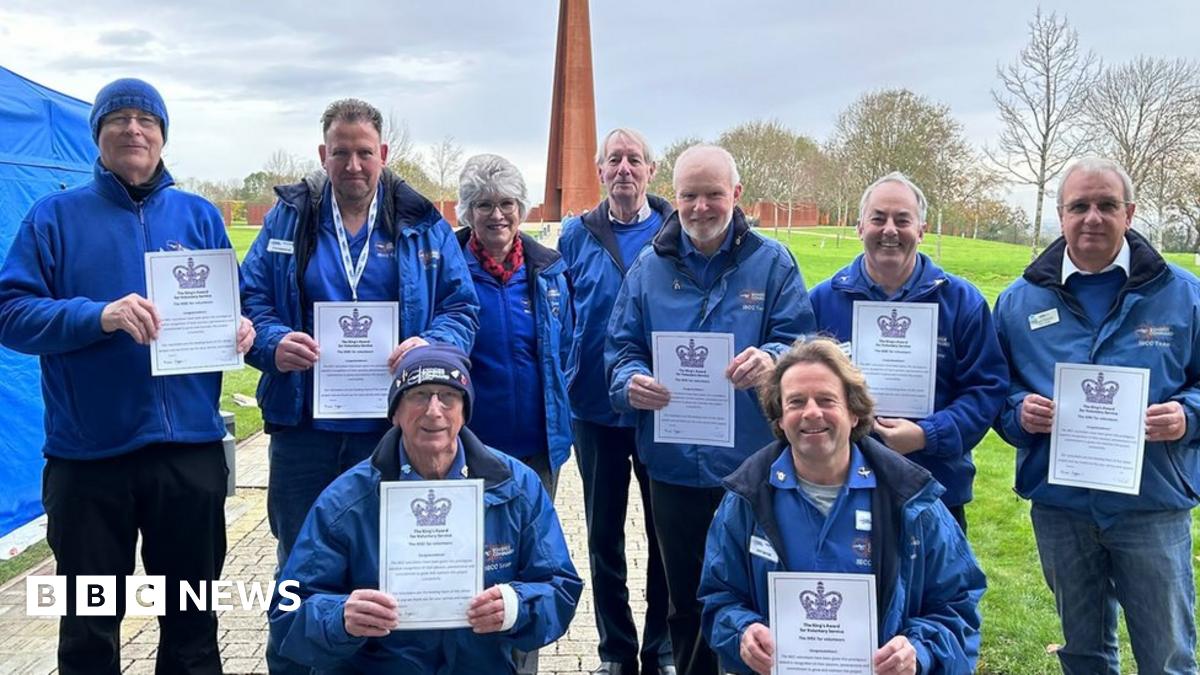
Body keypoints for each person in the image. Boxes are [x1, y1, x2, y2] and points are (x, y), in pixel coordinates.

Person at [0, 77, 254, 674]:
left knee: (193, 623)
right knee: (89, 628)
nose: (133, 129)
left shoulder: (198, 216)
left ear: (163, 136)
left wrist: (239, 329)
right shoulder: (53, 217)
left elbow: (235, 306)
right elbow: (10, 314)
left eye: (146, 119)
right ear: (98, 134)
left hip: (188, 453)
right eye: (118, 119)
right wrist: (99, 315)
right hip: (90, 461)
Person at [239, 98, 478, 672]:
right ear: (323, 155)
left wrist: (429, 346)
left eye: (363, 152)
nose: (352, 164)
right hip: (304, 431)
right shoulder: (288, 218)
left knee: (387, 563)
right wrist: (274, 343)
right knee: (298, 563)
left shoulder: (423, 223)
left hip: (390, 431)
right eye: (340, 152)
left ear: (383, 155)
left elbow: (461, 309)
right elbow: (251, 300)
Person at [606, 144, 815, 674]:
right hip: (674, 466)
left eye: (713, 194)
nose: (701, 207)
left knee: (757, 597)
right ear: (673, 198)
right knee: (686, 601)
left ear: (736, 195)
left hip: (754, 469)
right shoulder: (649, 267)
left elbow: (801, 342)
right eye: (689, 196)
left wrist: (772, 361)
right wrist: (629, 381)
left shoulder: (772, 264)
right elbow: (621, 347)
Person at [993, 157, 1200, 674]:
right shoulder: (1020, 301)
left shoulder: (1183, 294)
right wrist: (1020, 412)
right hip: (1062, 509)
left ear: (1129, 214)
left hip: (1151, 504)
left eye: (1106, 205)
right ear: (1060, 216)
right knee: (1084, 655)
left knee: (1168, 657)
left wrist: (1187, 415)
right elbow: (993, 391)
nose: (1092, 217)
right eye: (1079, 206)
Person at [268, 344, 582, 674]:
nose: (434, 410)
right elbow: (287, 609)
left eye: (448, 396)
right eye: (418, 395)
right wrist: (340, 616)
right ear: (395, 412)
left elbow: (559, 586)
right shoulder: (347, 500)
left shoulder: (516, 487)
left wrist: (517, 606)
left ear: (464, 411)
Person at [698, 338, 985, 674]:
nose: (811, 412)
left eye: (826, 399)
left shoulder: (912, 501)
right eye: (795, 402)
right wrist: (742, 633)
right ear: (779, 420)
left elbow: (959, 608)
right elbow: (719, 599)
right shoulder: (746, 499)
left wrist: (918, 652)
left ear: (855, 412)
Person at [808, 171, 1008, 530]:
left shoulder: (962, 302)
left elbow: (986, 390)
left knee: (938, 587)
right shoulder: (822, 301)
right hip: (843, 485)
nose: (889, 230)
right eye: (878, 218)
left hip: (935, 485)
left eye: (902, 220)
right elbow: (801, 390)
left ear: (921, 230)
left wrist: (927, 436)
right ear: (859, 227)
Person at [557, 127, 675, 675]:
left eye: (635, 160)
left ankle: (662, 650)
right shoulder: (575, 235)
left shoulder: (676, 230)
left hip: (663, 408)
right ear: (600, 172)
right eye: (614, 161)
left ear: (651, 171)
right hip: (594, 409)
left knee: (664, 537)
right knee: (603, 536)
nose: (624, 169)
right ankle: (616, 653)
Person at [453, 154, 572, 497]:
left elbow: (564, 349)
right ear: (468, 212)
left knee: (534, 542)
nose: (497, 215)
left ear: (520, 208)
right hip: (470, 446)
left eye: (507, 203)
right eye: (484, 205)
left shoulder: (549, 272)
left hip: (540, 446)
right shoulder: (449, 272)